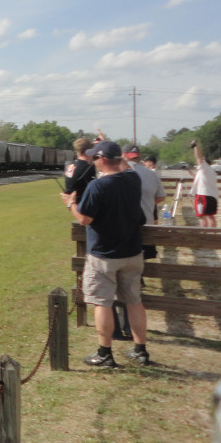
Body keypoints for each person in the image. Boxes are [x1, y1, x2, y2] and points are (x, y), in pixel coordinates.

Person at [62, 140, 150, 367]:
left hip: (104, 255)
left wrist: (70, 203)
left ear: (101, 160)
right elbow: (124, 167)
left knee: (102, 302)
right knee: (134, 301)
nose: (93, 161)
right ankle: (141, 351)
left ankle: (105, 353)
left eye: (95, 158)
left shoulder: (97, 186)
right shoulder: (133, 179)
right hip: (132, 251)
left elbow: (84, 219)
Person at [189, 140, 218, 228]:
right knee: (210, 216)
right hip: (212, 196)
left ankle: (203, 234)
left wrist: (195, 147)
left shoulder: (204, 168)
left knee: (201, 216)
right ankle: (212, 234)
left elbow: (198, 157)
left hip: (203, 196)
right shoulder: (211, 172)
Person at [64, 137, 95, 203]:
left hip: (73, 201)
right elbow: (94, 189)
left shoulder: (70, 165)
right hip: (84, 204)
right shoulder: (87, 167)